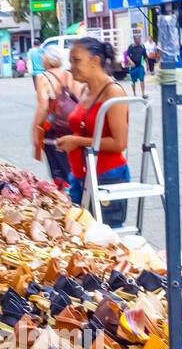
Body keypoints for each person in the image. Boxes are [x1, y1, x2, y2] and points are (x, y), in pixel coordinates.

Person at [53, 37, 130, 229]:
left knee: (106, 237)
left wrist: (77, 141)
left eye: (77, 61)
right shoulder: (85, 90)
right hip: (79, 175)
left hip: (106, 175)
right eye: (70, 62)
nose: (72, 67)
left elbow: (119, 143)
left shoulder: (113, 92)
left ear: (95, 61)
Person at [31, 45, 79, 192]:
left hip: (52, 129)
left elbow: (43, 107)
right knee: (71, 166)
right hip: (71, 127)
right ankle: (76, 196)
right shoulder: (69, 75)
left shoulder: (43, 77)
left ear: (47, 59)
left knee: (57, 169)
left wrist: (34, 128)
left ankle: (65, 199)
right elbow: (77, 101)